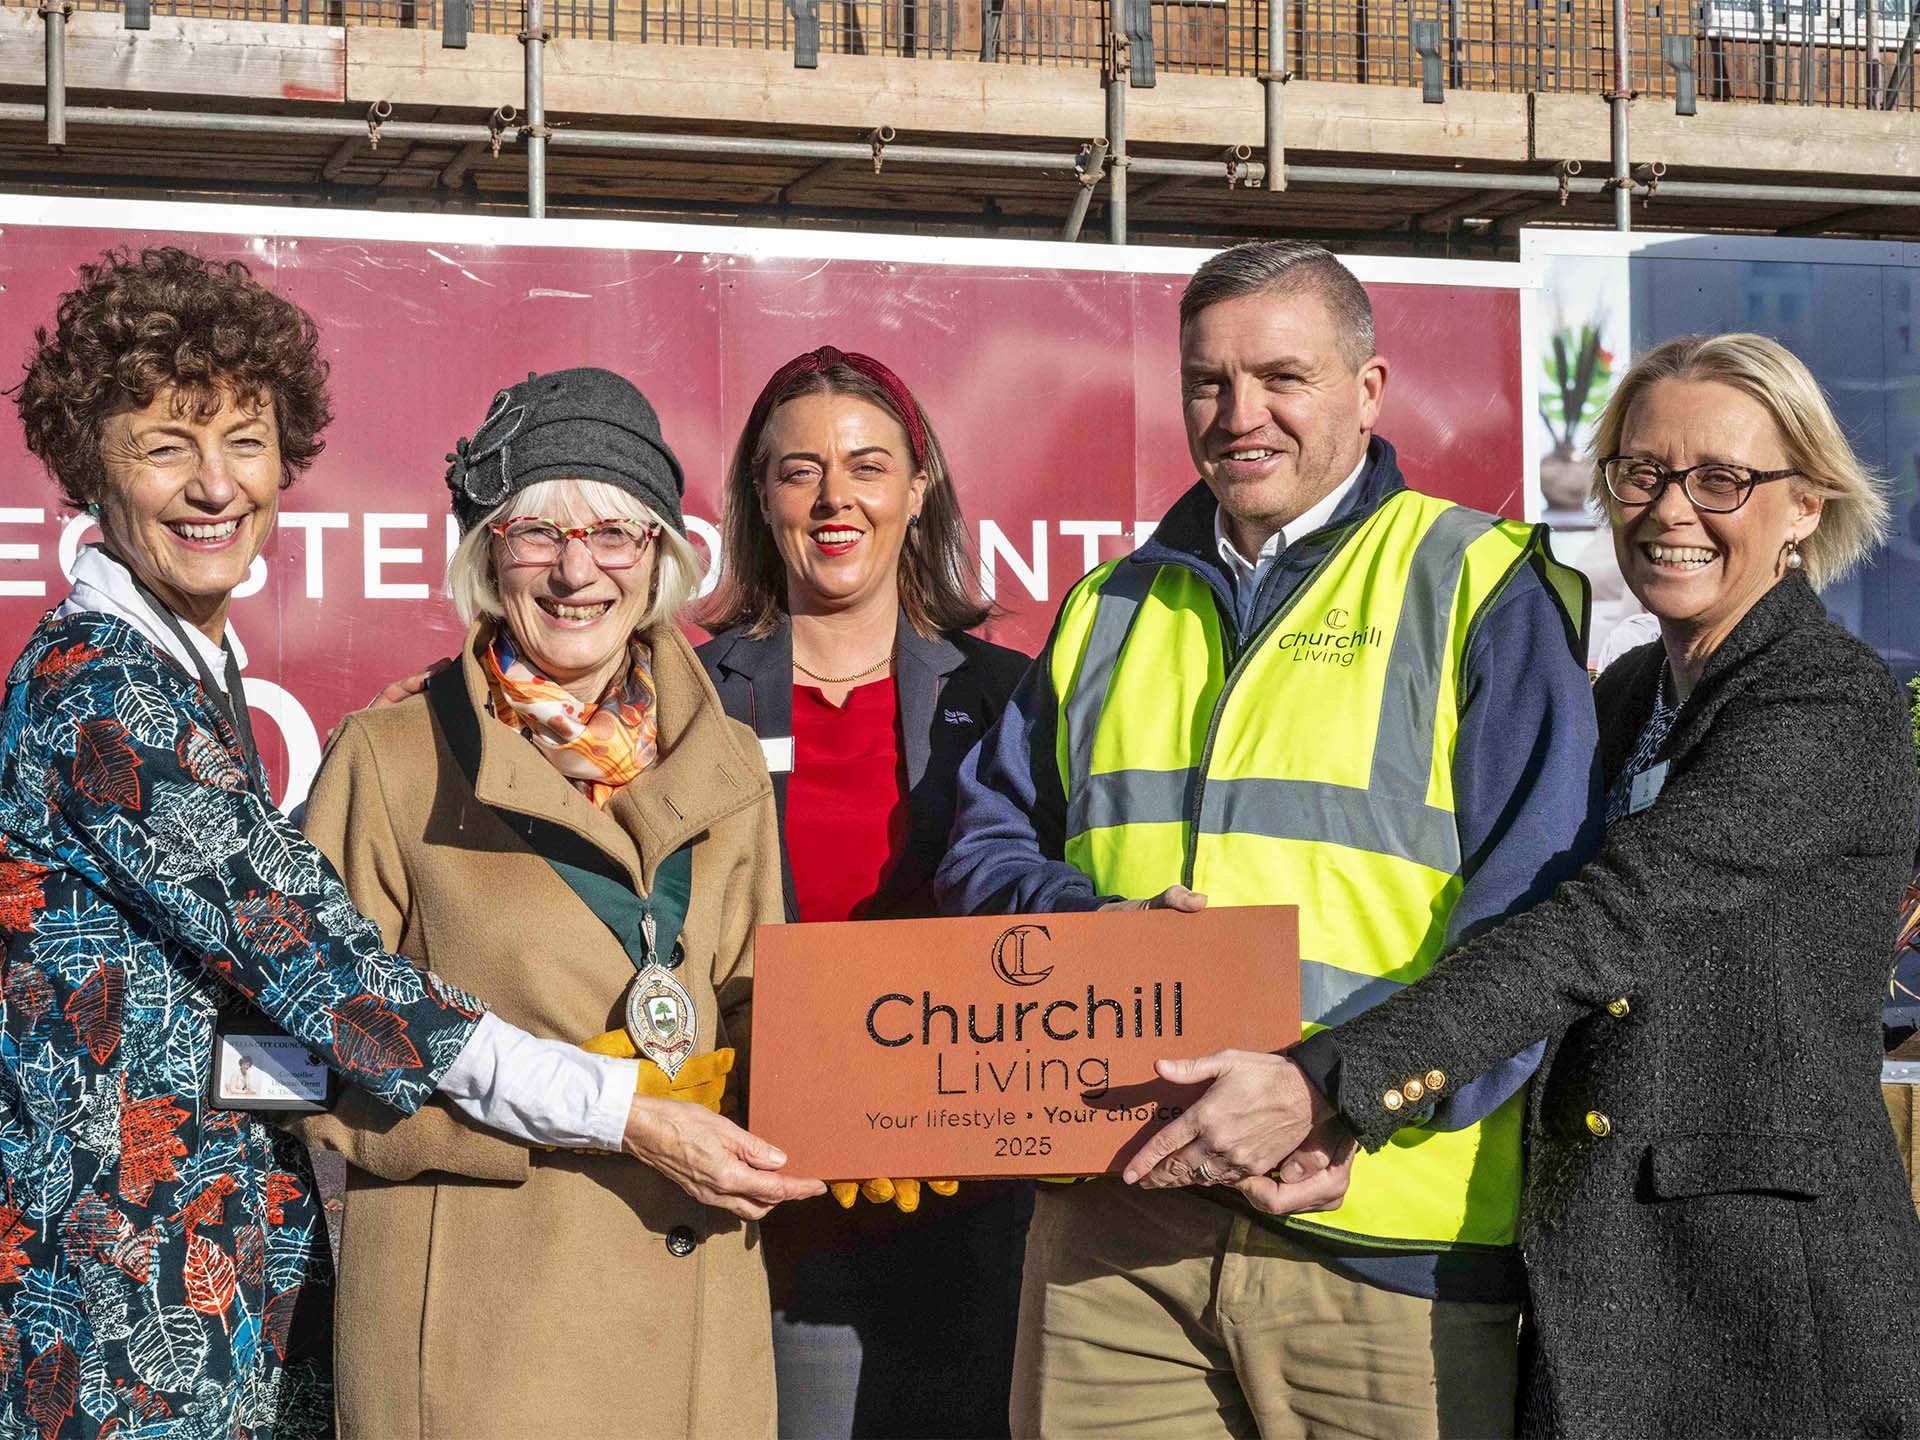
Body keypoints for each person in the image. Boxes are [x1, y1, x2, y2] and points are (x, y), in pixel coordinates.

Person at [0, 249, 732, 1437]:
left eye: (244, 441)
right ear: (92, 468)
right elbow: (327, 970)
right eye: (164, 445)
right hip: (123, 1327)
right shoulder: (102, 696)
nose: (212, 487)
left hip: (225, 1288)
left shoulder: (186, 670)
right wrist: (625, 1107)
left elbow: (211, 937)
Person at [1132, 332, 1920, 1436]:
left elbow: (1604, 925)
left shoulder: (1823, 704)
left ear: (1803, 507)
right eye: (1640, 472)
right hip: (1597, 1268)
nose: (1670, 510)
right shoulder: (1628, 690)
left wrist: (1330, 1084)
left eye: (1722, 480)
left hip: (1764, 1300)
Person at [936, 239, 1600, 1439]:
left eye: (1282, 377)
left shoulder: (1478, 587)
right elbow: (986, 851)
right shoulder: (1108, 605)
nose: (1242, 415)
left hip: (1374, 1229)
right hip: (1116, 1227)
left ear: (1369, 390)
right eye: (1209, 382)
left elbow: (1544, 930)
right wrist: (1103, 936)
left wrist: (1342, 1101)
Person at [290, 367, 820, 1438]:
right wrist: (590, 1122)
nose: (578, 572)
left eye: (616, 535)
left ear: (662, 557)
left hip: (697, 1324)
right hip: (486, 1330)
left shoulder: (725, 765)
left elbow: (760, 1005)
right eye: (538, 533)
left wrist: (864, 1107)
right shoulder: (390, 760)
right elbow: (308, 1057)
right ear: (489, 553)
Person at [697, 346, 1033, 1439]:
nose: (835, 499)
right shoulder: (684, 695)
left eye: (867, 466)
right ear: (759, 495)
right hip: (760, 1196)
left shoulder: (1010, 694)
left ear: (919, 484)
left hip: (966, 1196)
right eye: (799, 471)